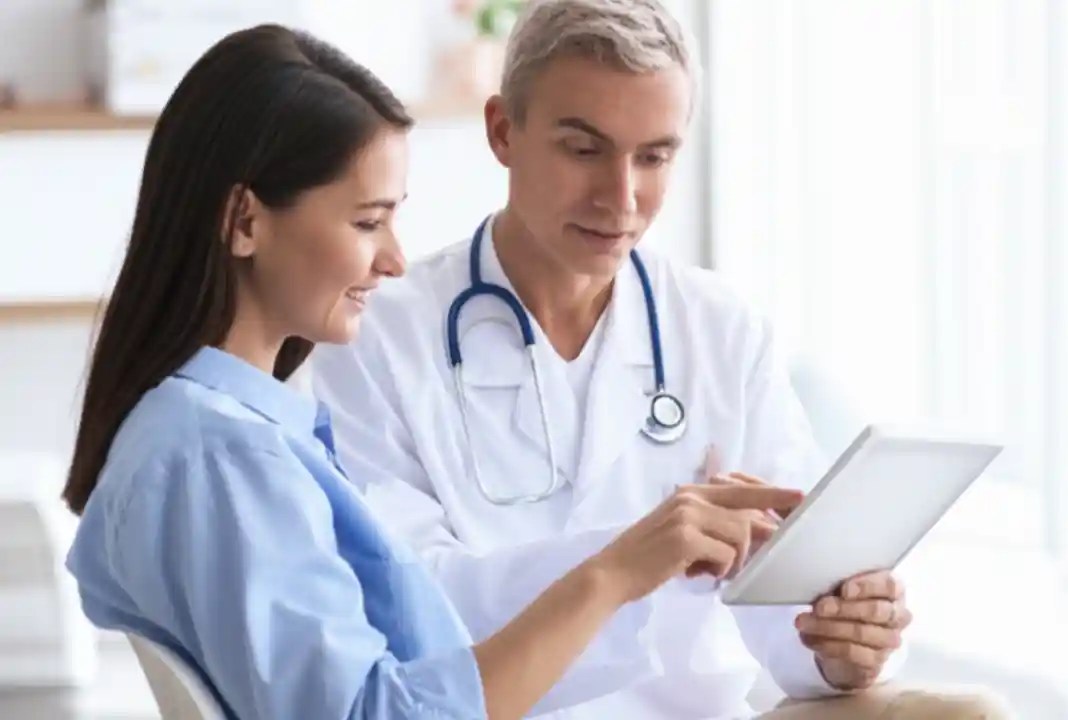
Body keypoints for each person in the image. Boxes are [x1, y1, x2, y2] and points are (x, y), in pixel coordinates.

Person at [60, 24, 807, 720]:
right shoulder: (220, 457)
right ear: (247, 221)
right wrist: (614, 573)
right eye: (366, 221)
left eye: (655, 155)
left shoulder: (228, 436)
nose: (393, 258)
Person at [312, 2, 1008, 718]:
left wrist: (840, 643)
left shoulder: (719, 329)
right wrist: (631, 555)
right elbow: (412, 611)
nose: (622, 198)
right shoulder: (377, 338)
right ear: (502, 132)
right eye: (584, 150)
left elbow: (791, 602)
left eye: (654, 156)